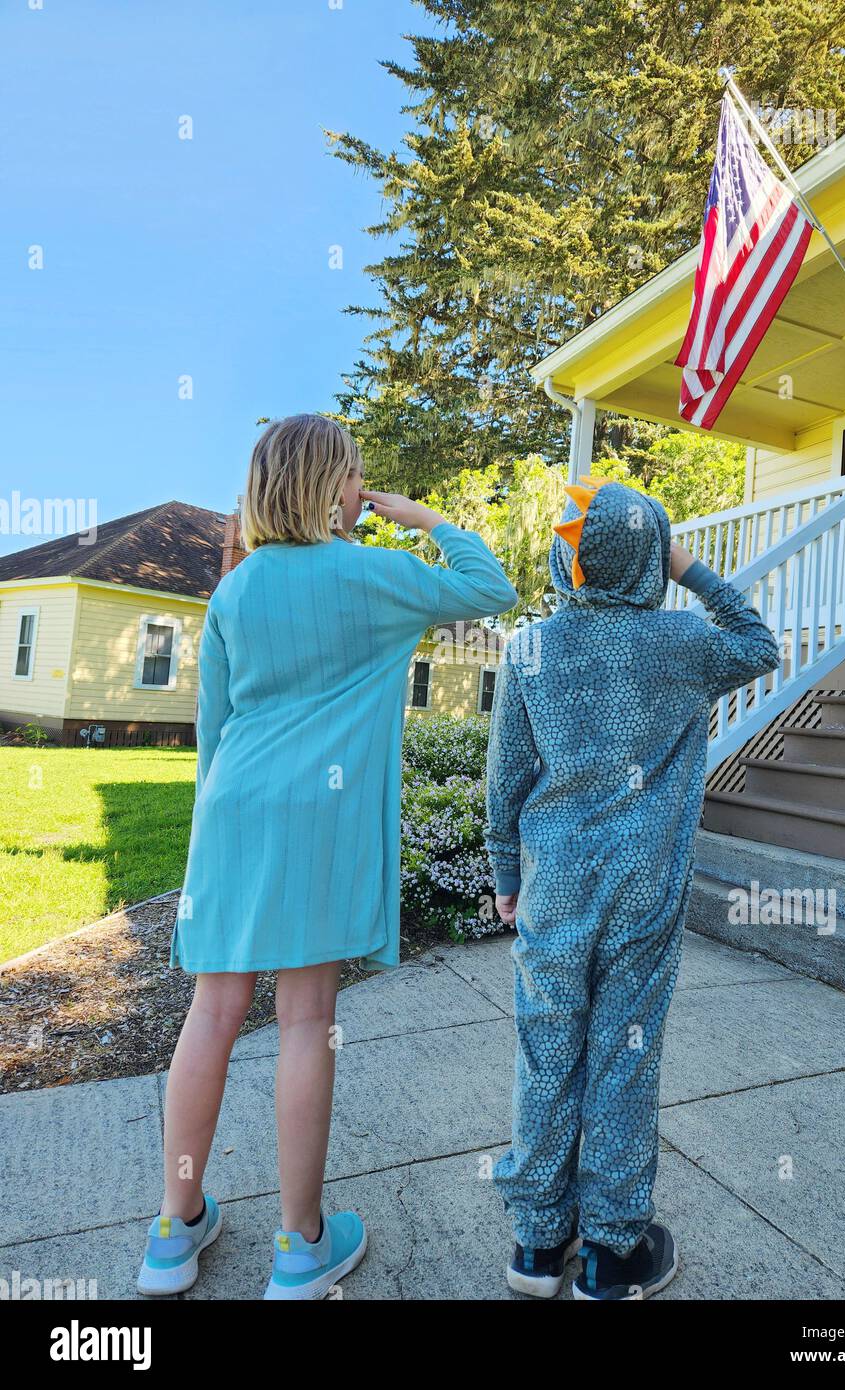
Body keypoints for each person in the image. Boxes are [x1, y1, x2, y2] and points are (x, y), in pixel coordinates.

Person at [137, 414, 517, 1300]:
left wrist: (208, 841)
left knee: (213, 1010)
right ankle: (300, 1246)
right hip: (322, 814)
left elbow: (213, 733)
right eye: (353, 477)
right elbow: (489, 587)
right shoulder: (379, 574)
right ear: (332, 489)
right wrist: (423, 519)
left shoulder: (234, 592)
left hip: (232, 810)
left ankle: (171, 1231)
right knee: (306, 1020)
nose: (361, 492)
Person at [485, 476, 780, 1301]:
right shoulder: (681, 641)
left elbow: (505, 777)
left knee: (545, 1053)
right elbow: (759, 643)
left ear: (562, 553)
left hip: (555, 885)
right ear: (648, 553)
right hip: (643, 890)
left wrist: (507, 875)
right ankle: (614, 1249)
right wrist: (689, 569)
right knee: (623, 1052)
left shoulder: (530, 647)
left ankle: (538, 1244)